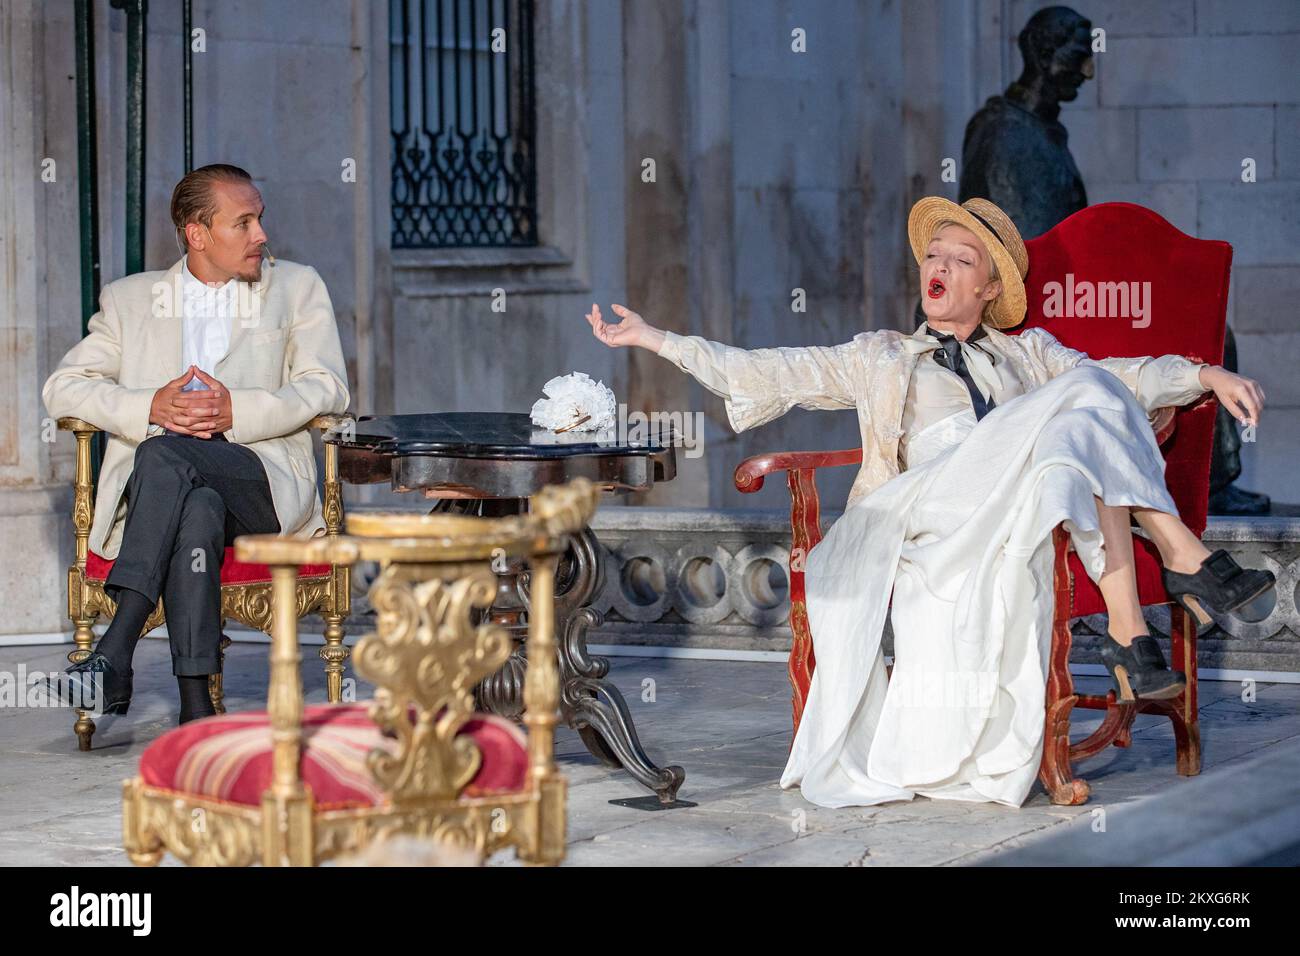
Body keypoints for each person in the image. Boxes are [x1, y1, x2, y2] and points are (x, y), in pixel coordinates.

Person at [584, 196, 1274, 808]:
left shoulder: (1028, 354)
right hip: (923, 506)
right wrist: (655, 339)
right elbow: (770, 369)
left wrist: (1202, 372)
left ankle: (1132, 630)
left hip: (1004, 507)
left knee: (1085, 407)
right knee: (1084, 399)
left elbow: (1118, 377)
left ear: (991, 286)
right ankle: (1177, 563)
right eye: (932, 254)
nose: (938, 265)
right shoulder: (880, 354)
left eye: (961, 257)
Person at [42, 163, 351, 724]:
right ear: (197, 233)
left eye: (260, 219)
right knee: (196, 503)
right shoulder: (131, 299)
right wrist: (147, 407)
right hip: (175, 495)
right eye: (244, 222)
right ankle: (195, 710)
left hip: (261, 482)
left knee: (163, 453)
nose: (261, 235)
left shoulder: (297, 286)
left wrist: (240, 410)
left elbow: (328, 387)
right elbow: (62, 388)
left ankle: (115, 651)